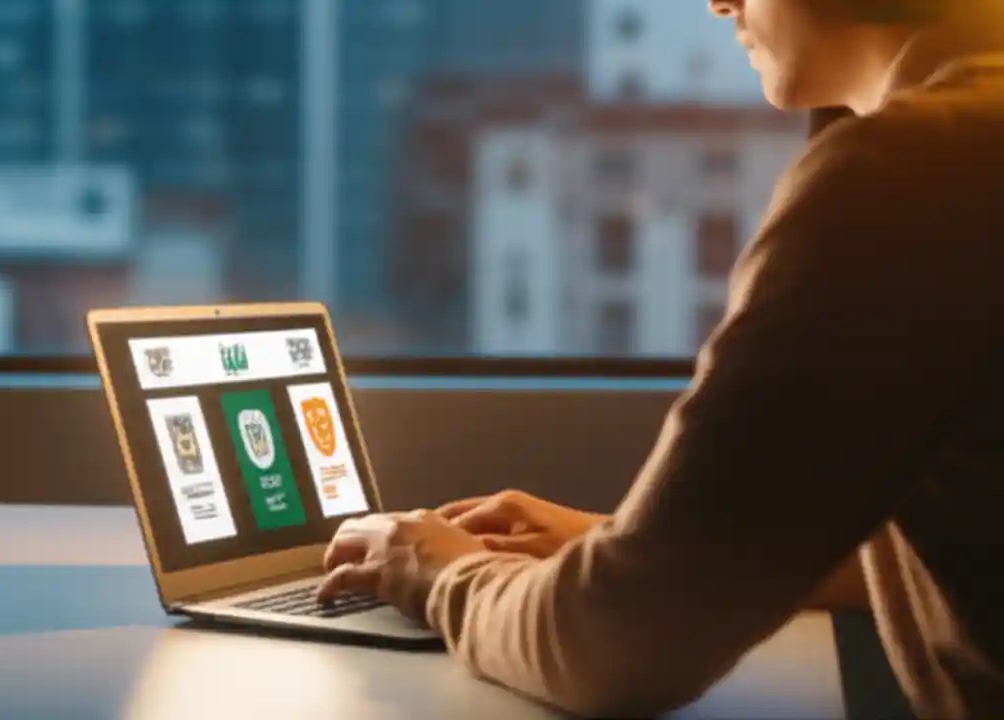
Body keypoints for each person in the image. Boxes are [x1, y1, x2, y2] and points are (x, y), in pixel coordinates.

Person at [316, 1, 1004, 717]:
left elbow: (614, 647)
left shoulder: (909, 177)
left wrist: (437, 572)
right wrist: (628, 546)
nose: (719, 2)